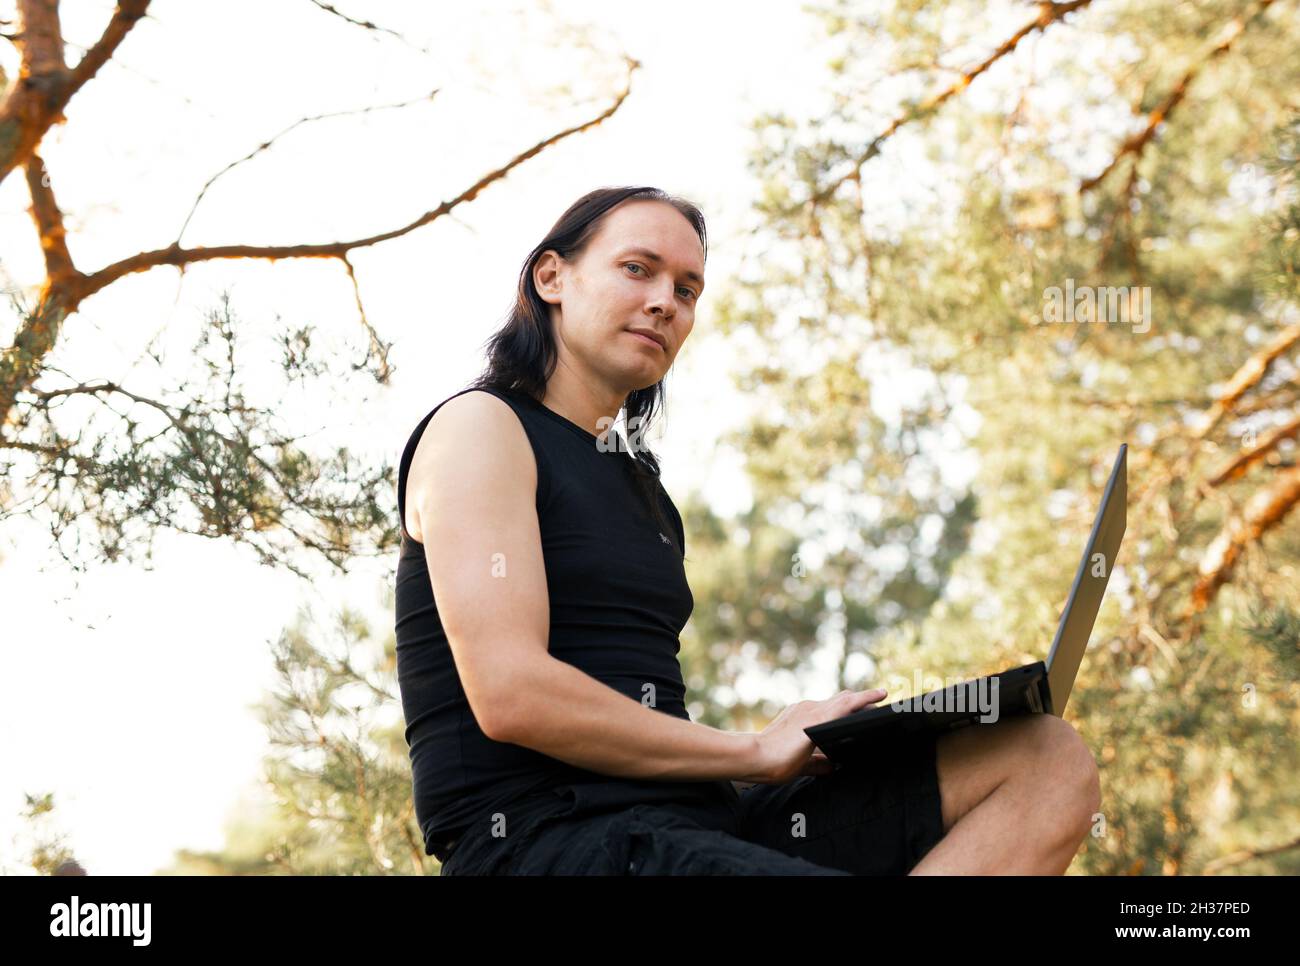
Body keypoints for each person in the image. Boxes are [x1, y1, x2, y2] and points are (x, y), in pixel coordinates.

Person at [394, 185, 1101, 875]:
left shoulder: (641, 488)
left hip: (695, 821)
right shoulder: (481, 427)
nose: (664, 302)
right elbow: (513, 695)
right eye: (638, 269)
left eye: (687, 290)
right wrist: (753, 751)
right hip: (546, 837)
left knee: (1041, 759)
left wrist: (795, 753)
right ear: (552, 276)